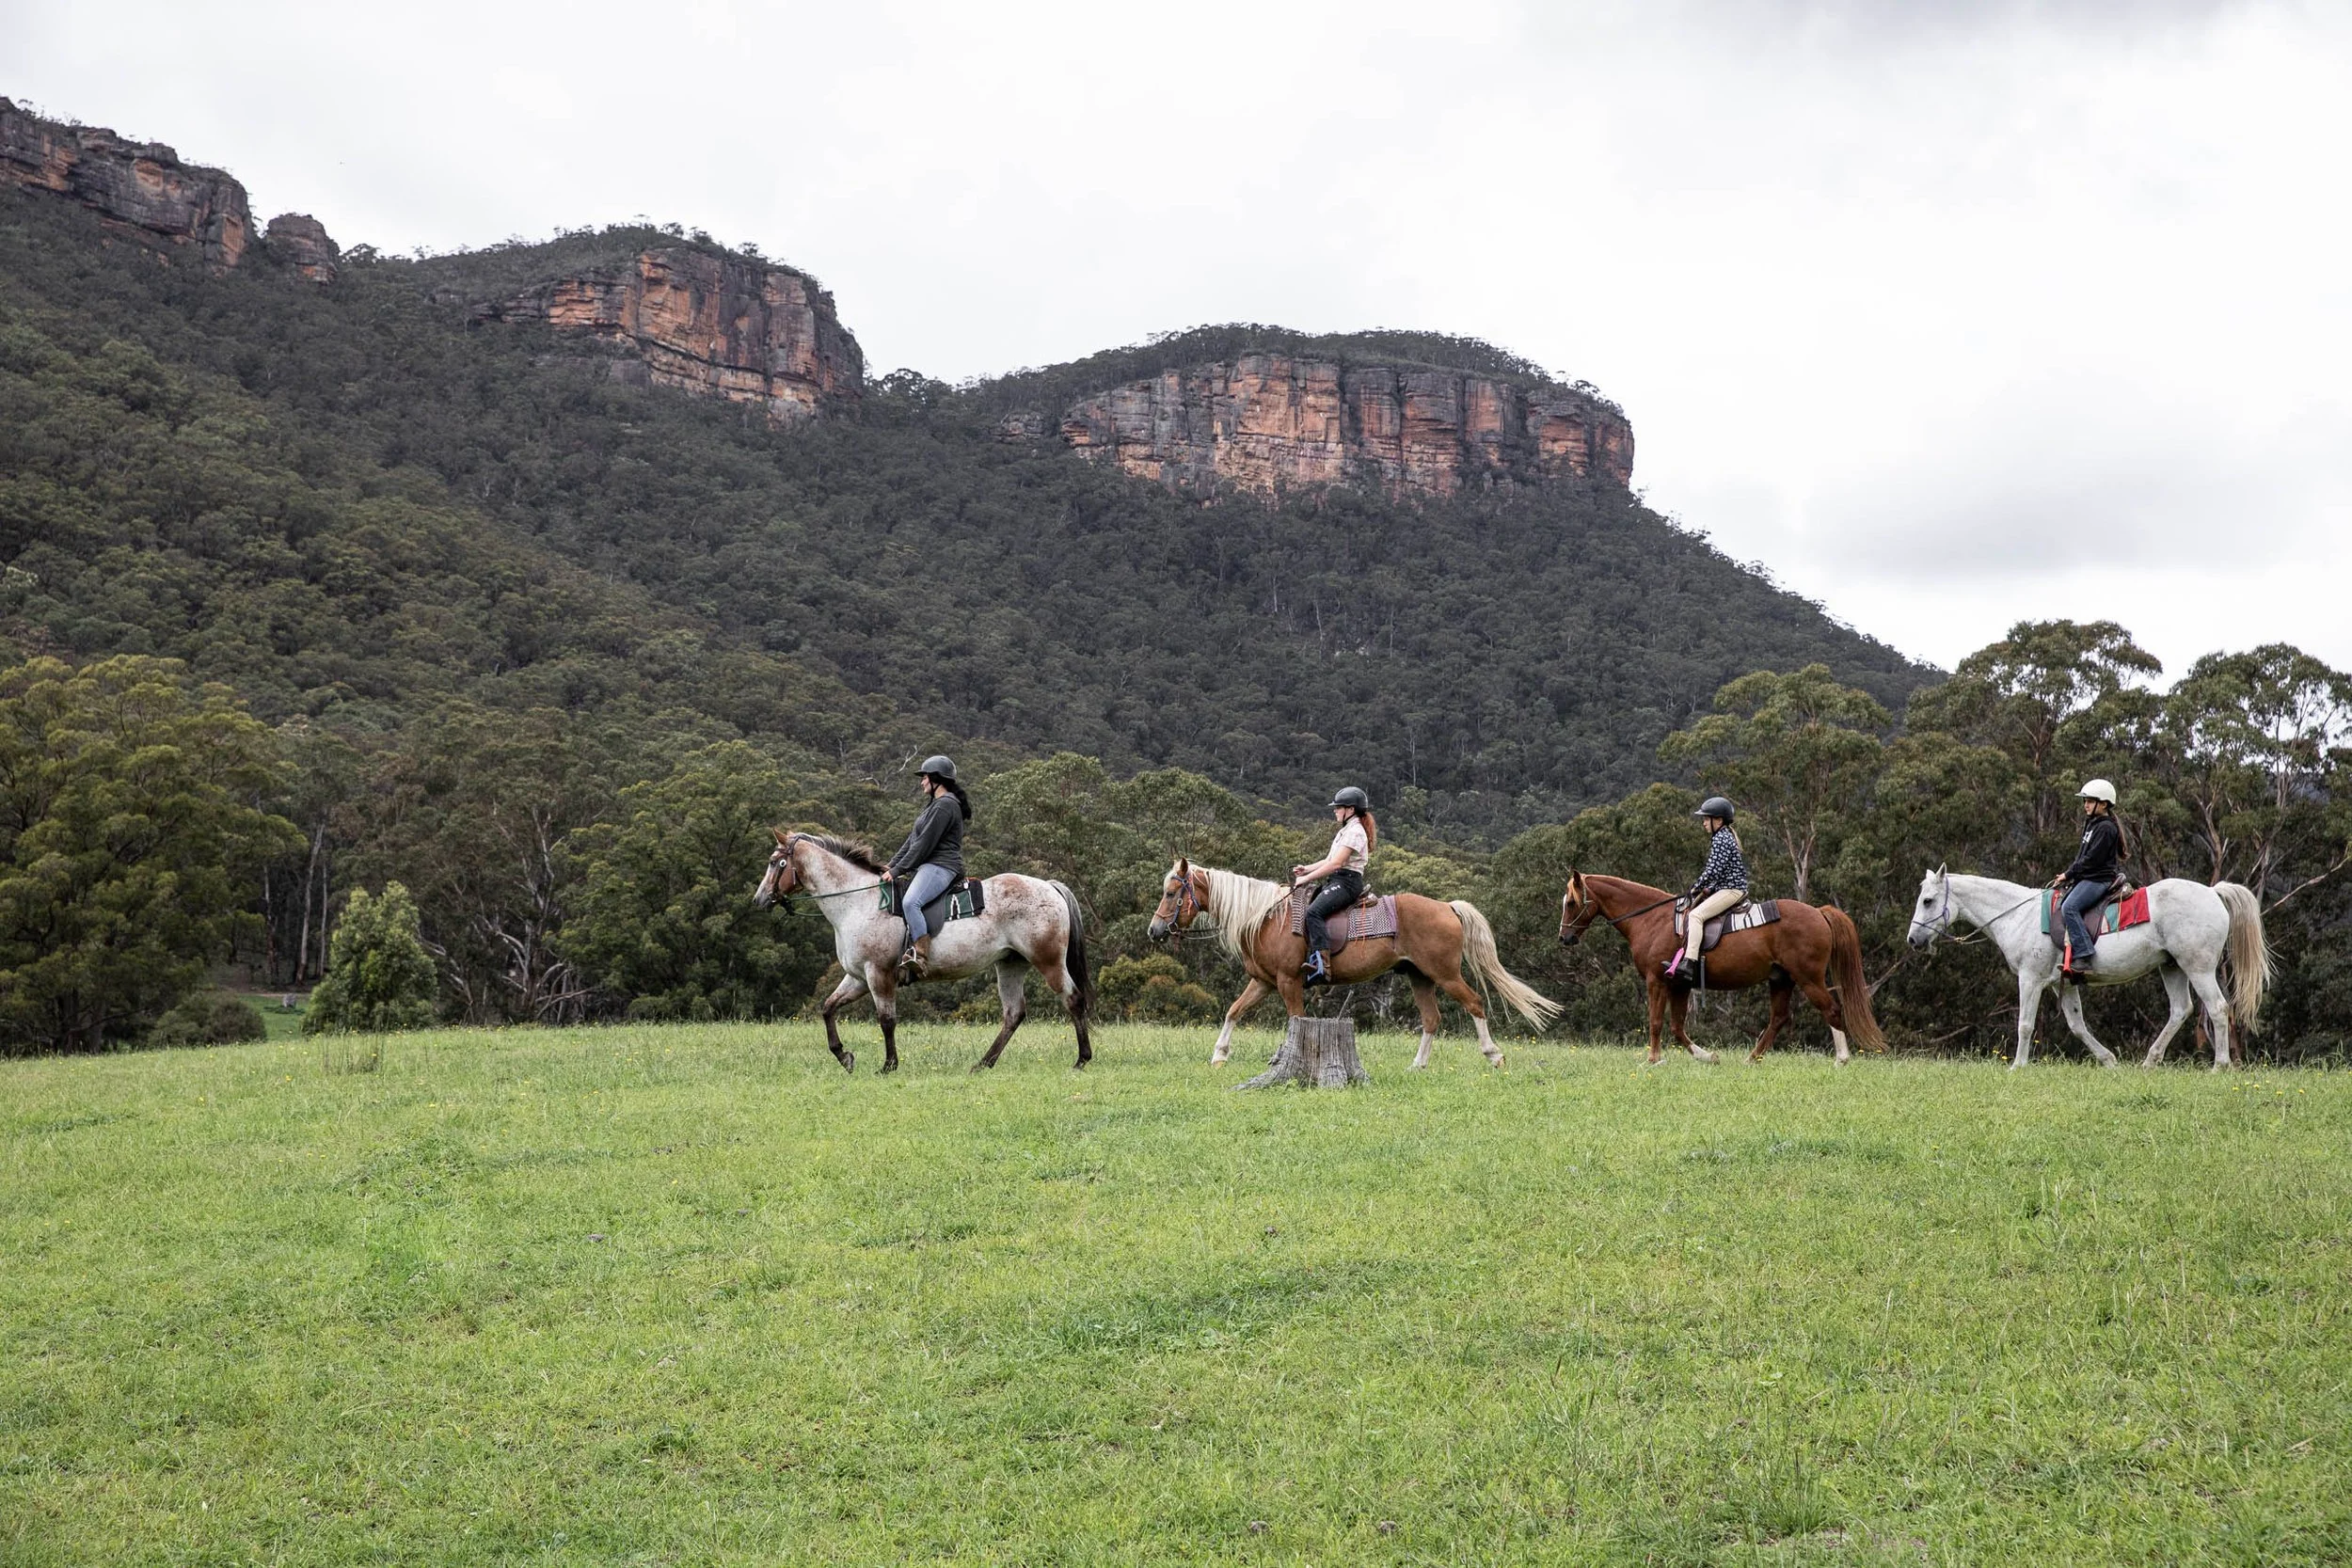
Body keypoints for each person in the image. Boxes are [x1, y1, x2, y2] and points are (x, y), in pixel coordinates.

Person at [887, 755, 971, 978]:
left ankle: (921, 954)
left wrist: (898, 871)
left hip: (941, 865)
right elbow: (911, 841)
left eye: (924, 777)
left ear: (936, 780)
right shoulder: (934, 805)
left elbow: (924, 845)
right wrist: (891, 865)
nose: (922, 782)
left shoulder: (945, 806)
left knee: (911, 902)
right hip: (928, 865)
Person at [1291, 787, 1377, 987]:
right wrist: (1306, 869)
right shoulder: (1345, 830)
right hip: (1336, 881)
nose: (1335, 811)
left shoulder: (1355, 832)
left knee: (1313, 912)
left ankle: (1322, 965)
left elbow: (1336, 864)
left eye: (1338, 808)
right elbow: (1329, 859)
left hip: (1347, 883)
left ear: (1350, 810)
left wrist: (1307, 879)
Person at [1665, 797, 1748, 979]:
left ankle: (1689, 963)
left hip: (1731, 890)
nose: (1703, 823)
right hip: (1724, 887)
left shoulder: (1721, 839)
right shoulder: (1724, 835)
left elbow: (1712, 871)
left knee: (1695, 915)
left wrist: (1695, 888)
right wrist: (1708, 888)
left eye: (1706, 819)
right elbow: (1719, 872)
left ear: (1718, 820)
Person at [2052, 778, 2124, 982]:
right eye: (2085, 801)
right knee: (2064, 903)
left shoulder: (2106, 828)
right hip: (2088, 877)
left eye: (2090, 801)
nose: (2086, 805)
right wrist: (2069, 874)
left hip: (2099, 880)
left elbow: (2092, 859)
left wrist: (2069, 874)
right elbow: (2081, 856)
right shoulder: (2092, 823)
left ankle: (2084, 955)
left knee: (2070, 908)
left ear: (2103, 804)